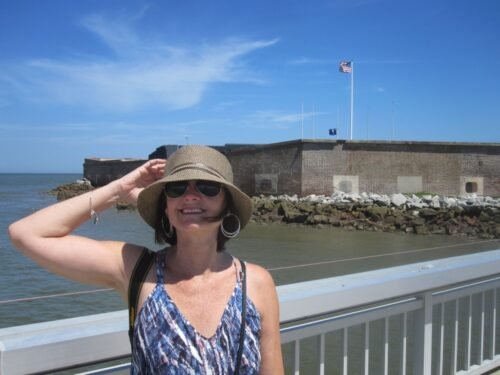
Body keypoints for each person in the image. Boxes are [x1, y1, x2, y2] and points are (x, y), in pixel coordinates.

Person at [8, 145, 284, 374]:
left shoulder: (257, 282)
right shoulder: (136, 269)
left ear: (227, 204)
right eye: (176, 188)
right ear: (165, 205)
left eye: (207, 187)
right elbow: (26, 234)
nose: (190, 196)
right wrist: (118, 189)